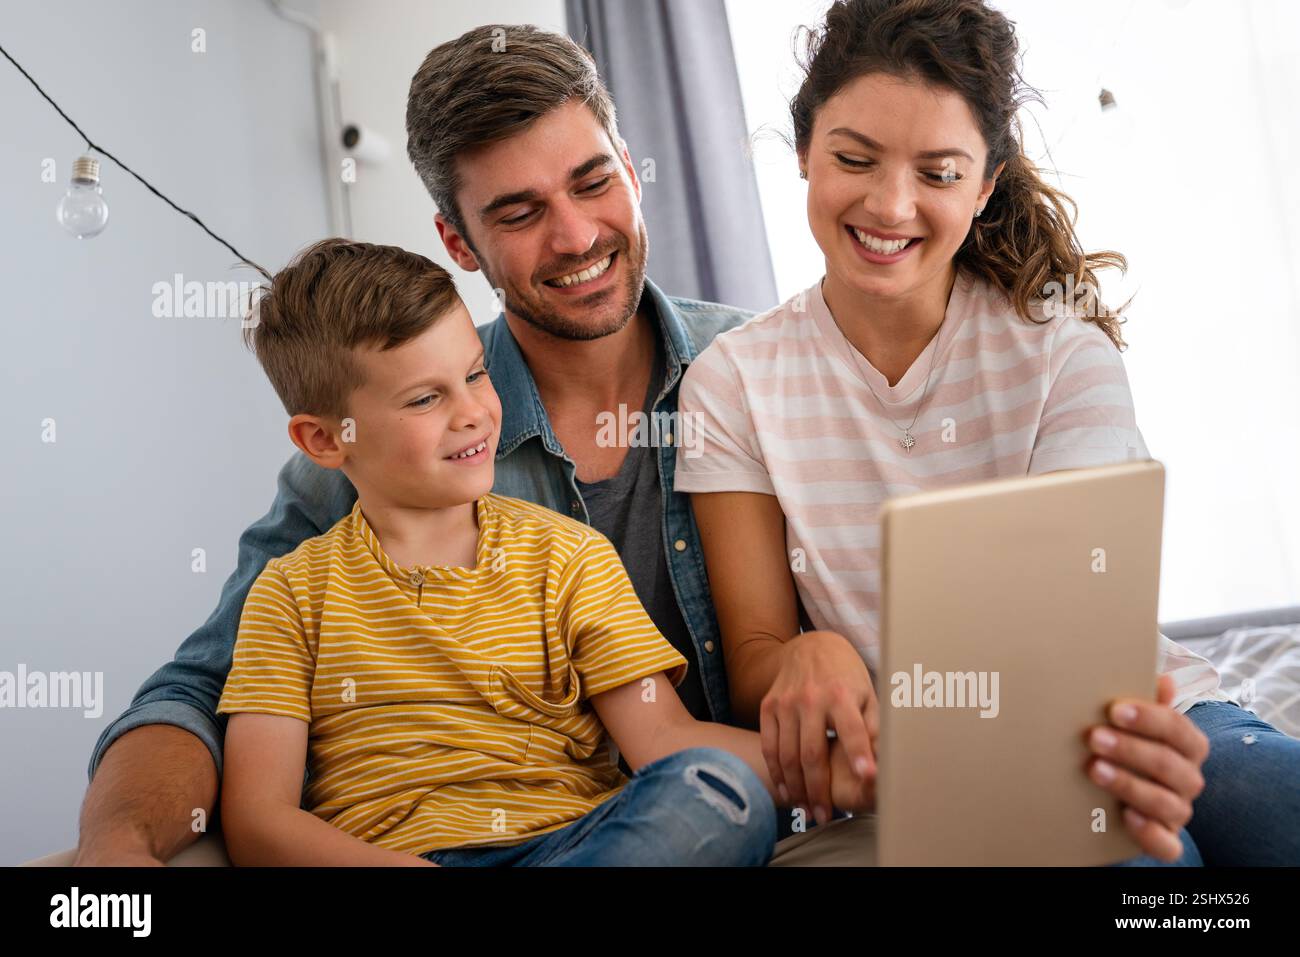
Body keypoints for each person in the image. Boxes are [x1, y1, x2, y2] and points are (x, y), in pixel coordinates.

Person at [76, 25, 858, 865]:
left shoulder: (767, 374)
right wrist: (112, 850)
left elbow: (693, 736)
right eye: (519, 213)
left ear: (632, 172)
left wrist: (883, 760)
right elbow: (196, 692)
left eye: (592, 183)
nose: (574, 237)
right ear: (458, 242)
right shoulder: (345, 474)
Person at [676, 0, 1299, 867]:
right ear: (804, 149)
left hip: (1113, 714)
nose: (891, 206)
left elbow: (1066, 626)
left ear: (987, 182)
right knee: (1153, 874)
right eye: (854, 159)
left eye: (938, 173)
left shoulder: (1060, 346)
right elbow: (755, 659)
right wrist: (805, 655)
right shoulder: (732, 381)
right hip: (927, 765)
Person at [213, 237, 858, 865]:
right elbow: (259, 821)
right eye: (425, 398)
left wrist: (852, 772)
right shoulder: (290, 593)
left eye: (474, 374)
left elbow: (665, 740)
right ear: (323, 439)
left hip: (577, 844)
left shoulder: (570, 556)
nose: (472, 413)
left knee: (718, 790)